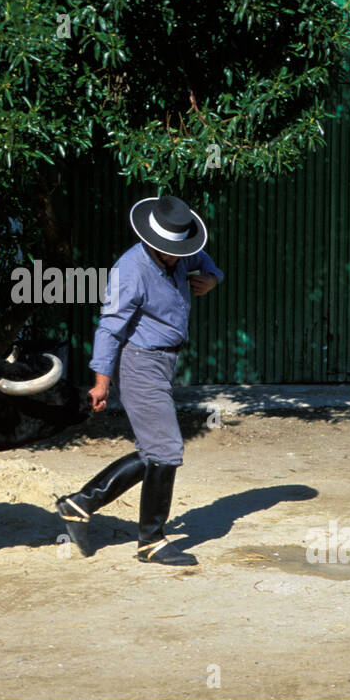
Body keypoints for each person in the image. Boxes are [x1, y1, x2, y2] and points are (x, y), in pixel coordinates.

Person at [56, 194, 223, 565]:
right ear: (151, 242)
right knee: (166, 449)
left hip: (165, 361)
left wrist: (212, 277)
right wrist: (101, 382)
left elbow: (203, 259)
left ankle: (79, 504)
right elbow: (110, 328)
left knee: (154, 451)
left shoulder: (179, 251)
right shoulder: (129, 270)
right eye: (169, 252)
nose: (179, 259)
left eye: (180, 251)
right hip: (139, 362)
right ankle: (151, 541)